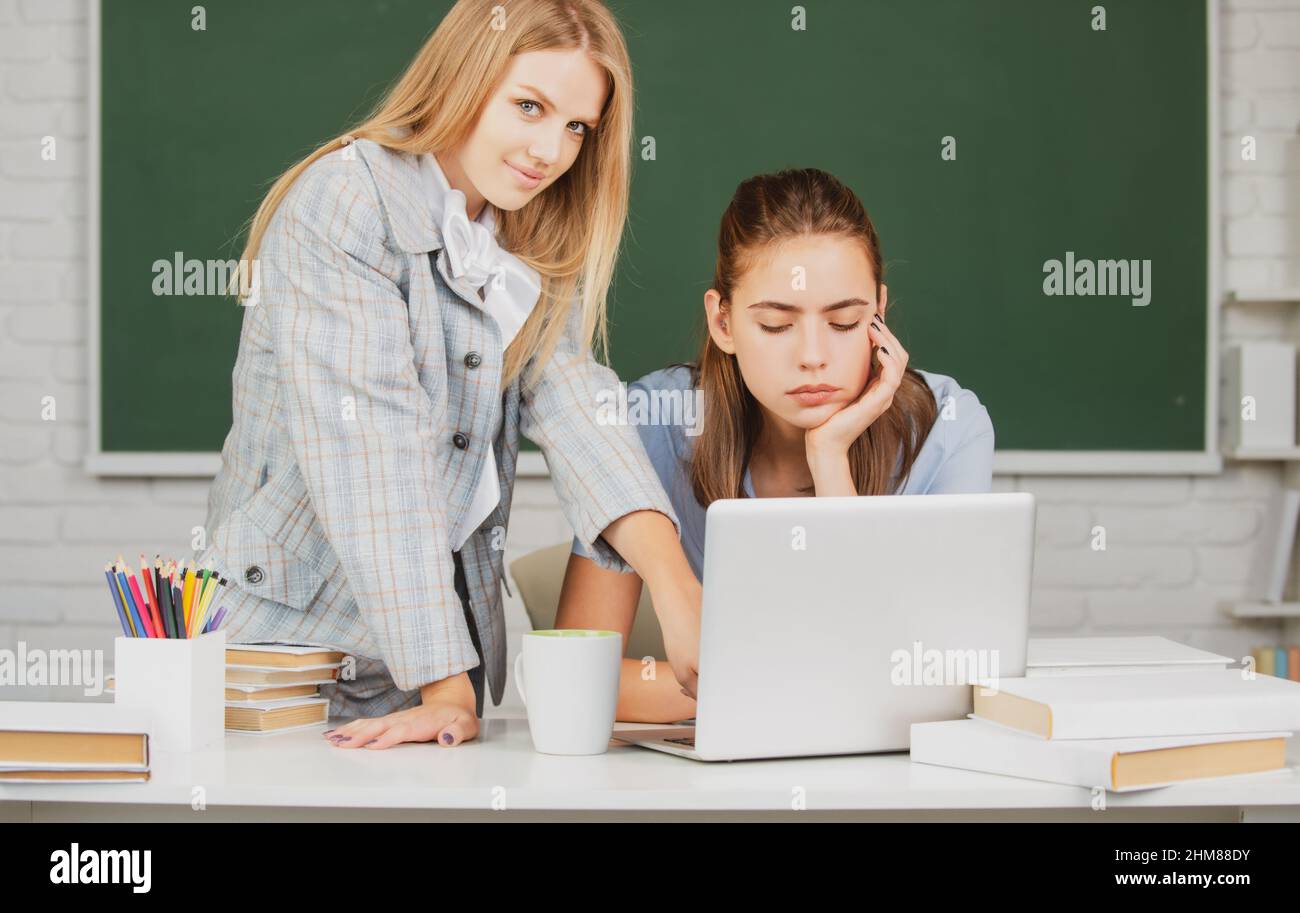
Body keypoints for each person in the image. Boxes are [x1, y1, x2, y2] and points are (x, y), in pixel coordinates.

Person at [196, 0, 704, 749]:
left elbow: (578, 411)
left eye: (576, 128)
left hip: (434, 672)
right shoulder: (346, 203)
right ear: (466, 75)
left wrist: (677, 584)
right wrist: (446, 685)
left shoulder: (523, 232)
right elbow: (372, 458)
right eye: (529, 106)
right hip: (288, 662)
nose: (550, 151)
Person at [555, 167, 995, 723]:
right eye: (776, 325)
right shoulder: (652, 422)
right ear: (724, 321)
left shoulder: (951, 428)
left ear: (878, 315)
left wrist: (830, 458)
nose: (813, 355)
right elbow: (579, 678)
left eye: (844, 321)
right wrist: (799, 686)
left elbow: (939, 675)